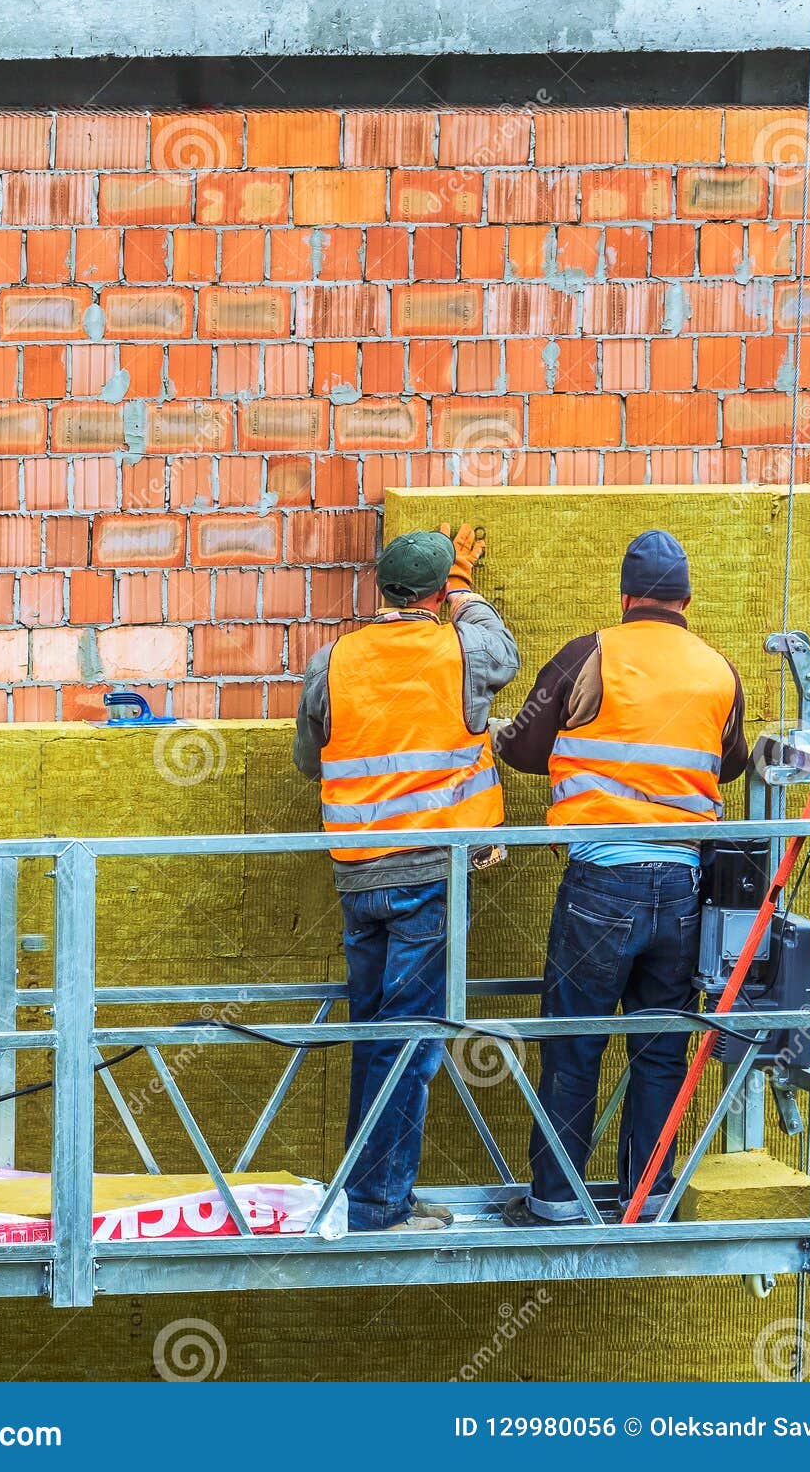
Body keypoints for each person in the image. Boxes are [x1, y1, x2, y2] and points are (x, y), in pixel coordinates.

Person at [493, 530, 749, 1225]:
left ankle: (554, 1200)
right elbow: (730, 765)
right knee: (660, 1049)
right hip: (682, 887)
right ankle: (648, 1196)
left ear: (626, 596)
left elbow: (520, 747)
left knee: (574, 1043)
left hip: (603, 879)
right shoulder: (716, 668)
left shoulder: (592, 651)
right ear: (686, 600)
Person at [294, 524, 519, 1233]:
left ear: (381, 588)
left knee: (376, 1037)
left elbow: (309, 759)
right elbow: (503, 652)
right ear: (434, 591)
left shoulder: (333, 658)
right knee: (410, 1040)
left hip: (359, 879)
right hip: (428, 875)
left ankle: (373, 1195)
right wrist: (462, 582)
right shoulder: (461, 645)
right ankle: (379, 1206)